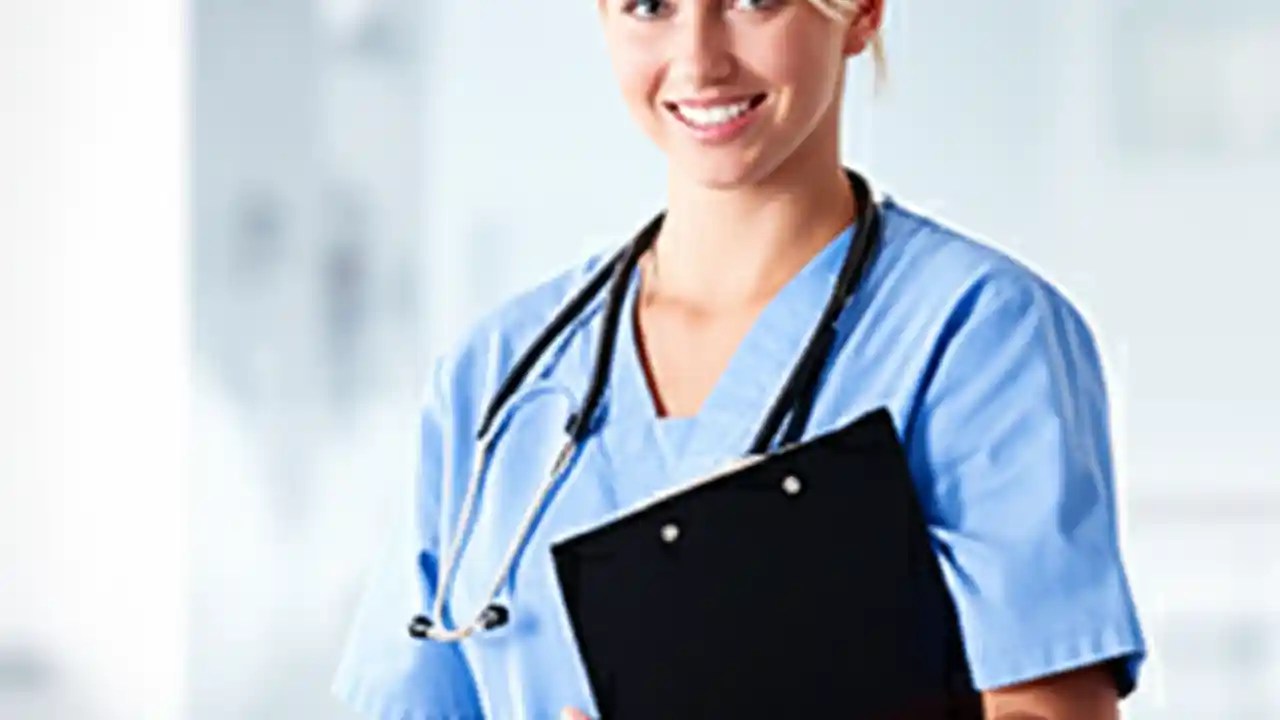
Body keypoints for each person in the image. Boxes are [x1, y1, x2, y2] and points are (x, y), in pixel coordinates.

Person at [333, 0, 1147, 718]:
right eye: (650, 6)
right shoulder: (498, 377)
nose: (699, 58)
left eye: (755, 0)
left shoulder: (975, 335)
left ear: (861, 11)